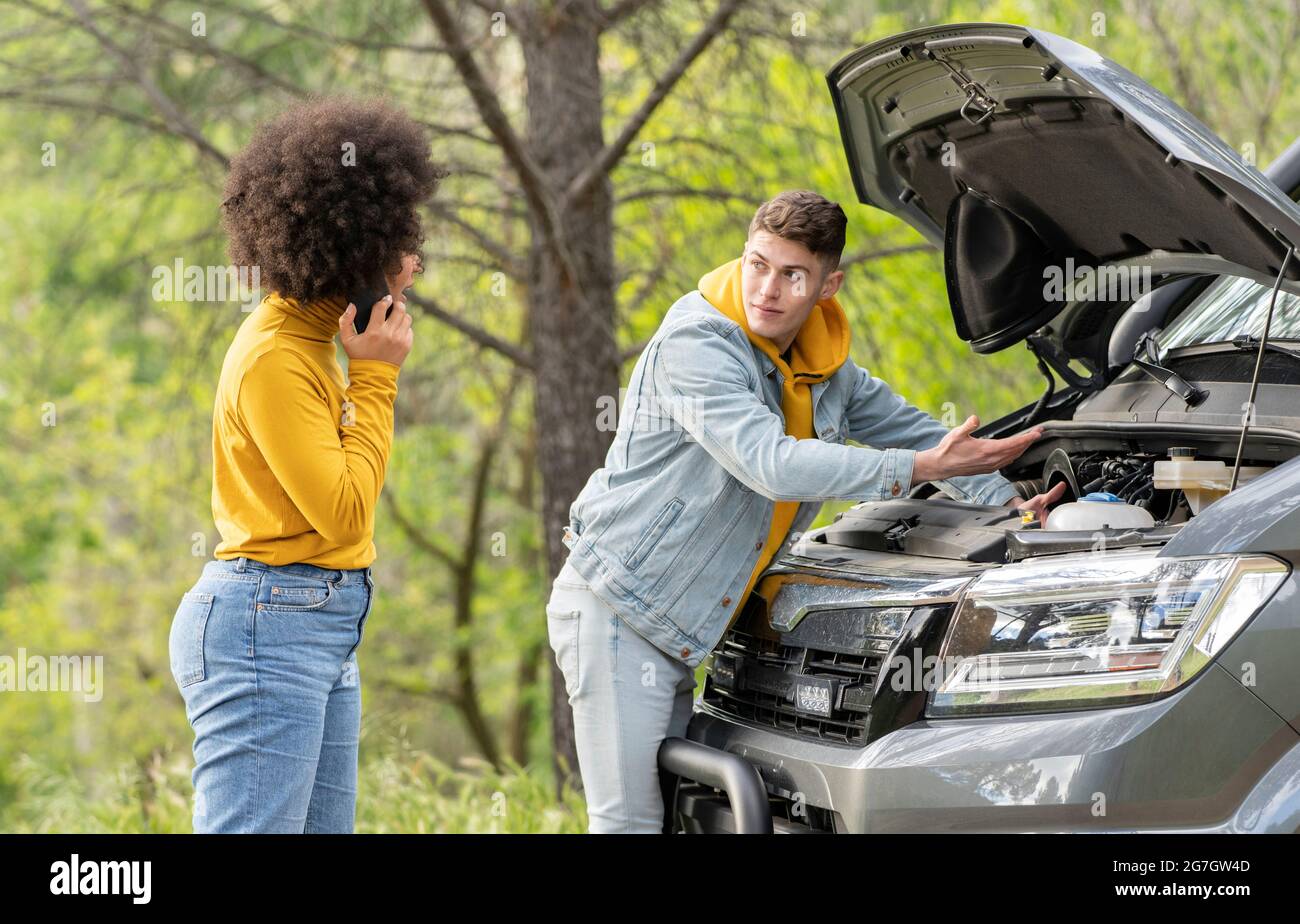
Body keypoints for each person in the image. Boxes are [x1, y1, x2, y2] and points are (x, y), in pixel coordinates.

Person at [547, 189, 1065, 833]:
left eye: (793, 274)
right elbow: (771, 462)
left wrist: (1015, 506)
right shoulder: (697, 345)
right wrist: (921, 469)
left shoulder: (824, 367)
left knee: (681, 822)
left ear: (828, 284)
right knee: (627, 823)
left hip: (681, 626)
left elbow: (920, 437)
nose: (767, 288)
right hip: (619, 609)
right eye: (757, 264)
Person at [167, 97, 445, 833]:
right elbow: (345, 510)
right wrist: (379, 375)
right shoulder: (276, 358)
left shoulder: (313, 342)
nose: (413, 263)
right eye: (399, 244)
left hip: (316, 620)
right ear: (352, 252)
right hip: (267, 625)